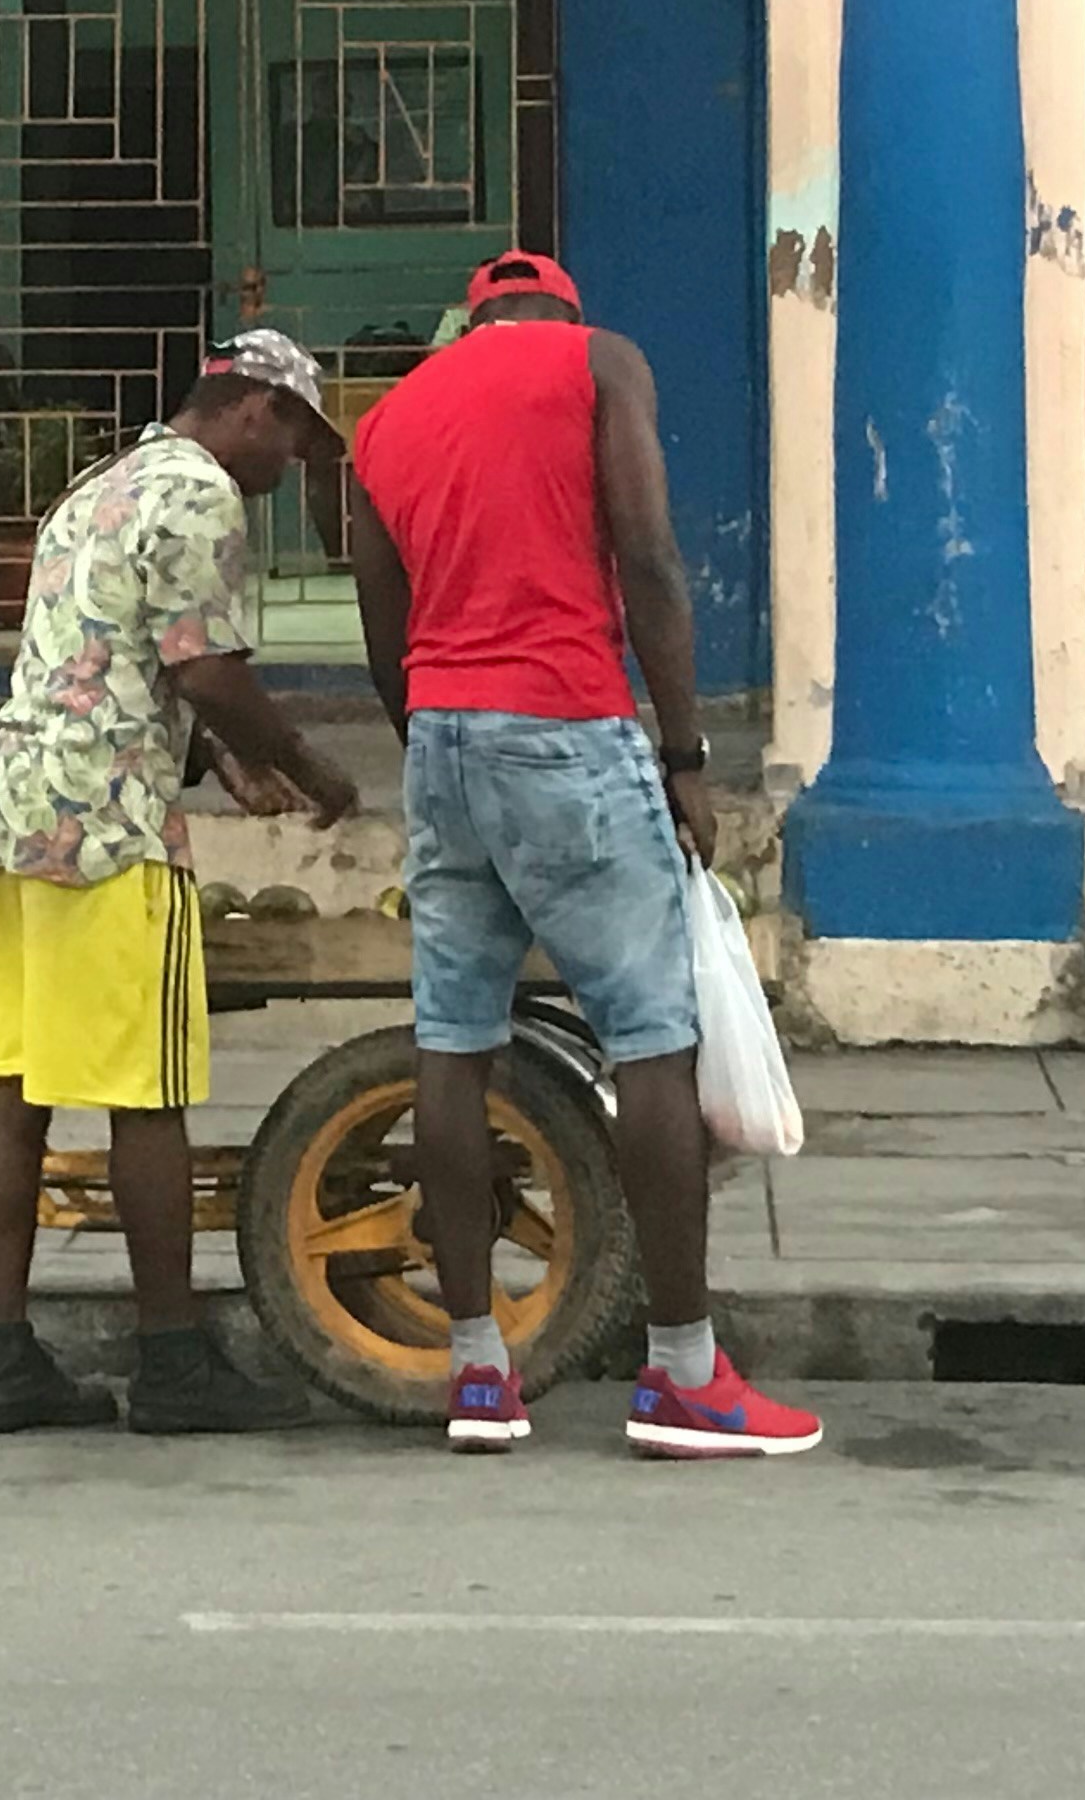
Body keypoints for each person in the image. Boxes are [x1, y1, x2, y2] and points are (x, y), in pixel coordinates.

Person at [346, 249, 821, 1459]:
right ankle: (681, 1374)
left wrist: (441, 750)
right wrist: (687, 752)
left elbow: (383, 631)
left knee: (454, 1047)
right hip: (565, 726)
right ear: (560, 312)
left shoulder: (390, 418)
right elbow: (650, 557)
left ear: (473, 316)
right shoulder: (600, 363)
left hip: (442, 738)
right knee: (653, 1039)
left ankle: (476, 1373)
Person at [0, 328, 364, 1437]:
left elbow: (112, 663)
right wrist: (309, 764)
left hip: (19, 814)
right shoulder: (199, 495)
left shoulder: (99, 488)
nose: (286, 471)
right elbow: (207, 669)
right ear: (252, 410)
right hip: (111, 832)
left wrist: (219, 758)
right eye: (292, 441)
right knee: (148, 1095)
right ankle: (174, 1360)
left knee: (17, 1092)